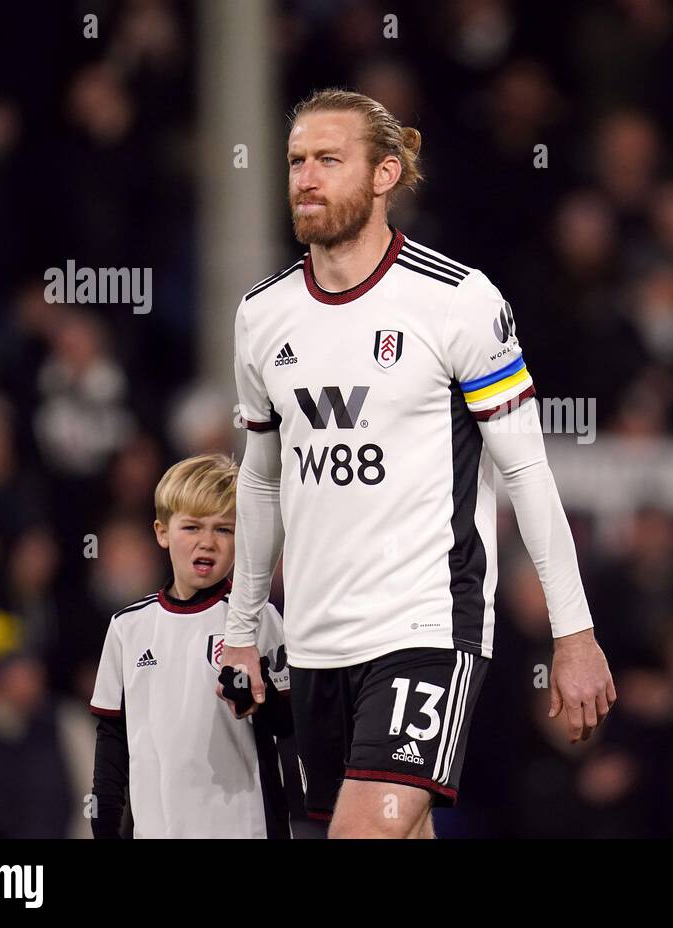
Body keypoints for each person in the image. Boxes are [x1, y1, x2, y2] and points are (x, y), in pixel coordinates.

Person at [223, 89, 615, 838]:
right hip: (313, 641)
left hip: (426, 627)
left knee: (365, 833)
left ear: (384, 175)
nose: (306, 177)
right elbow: (262, 475)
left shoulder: (457, 302)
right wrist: (244, 629)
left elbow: (527, 474)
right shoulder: (262, 315)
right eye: (297, 160)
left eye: (329, 160)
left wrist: (575, 633)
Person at [90, 452, 293, 838]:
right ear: (162, 532)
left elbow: (289, 727)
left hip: (244, 829)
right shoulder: (127, 628)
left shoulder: (258, 620)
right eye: (192, 527)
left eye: (224, 530)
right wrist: (104, 830)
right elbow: (112, 742)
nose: (207, 542)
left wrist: (257, 693)